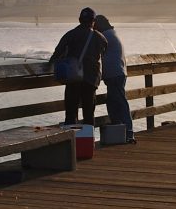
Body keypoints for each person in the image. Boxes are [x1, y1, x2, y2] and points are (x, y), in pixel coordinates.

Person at [50, 7, 108, 127]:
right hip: (91, 81)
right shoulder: (100, 38)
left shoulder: (70, 35)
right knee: (88, 114)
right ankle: (88, 143)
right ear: (93, 21)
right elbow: (104, 50)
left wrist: (51, 64)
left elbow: (57, 54)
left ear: (79, 20)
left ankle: (72, 142)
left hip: (73, 79)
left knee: (71, 114)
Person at [94, 14, 135, 144]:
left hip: (115, 74)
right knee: (113, 102)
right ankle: (119, 131)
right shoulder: (112, 33)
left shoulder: (105, 36)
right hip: (118, 73)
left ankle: (128, 132)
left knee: (120, 102)